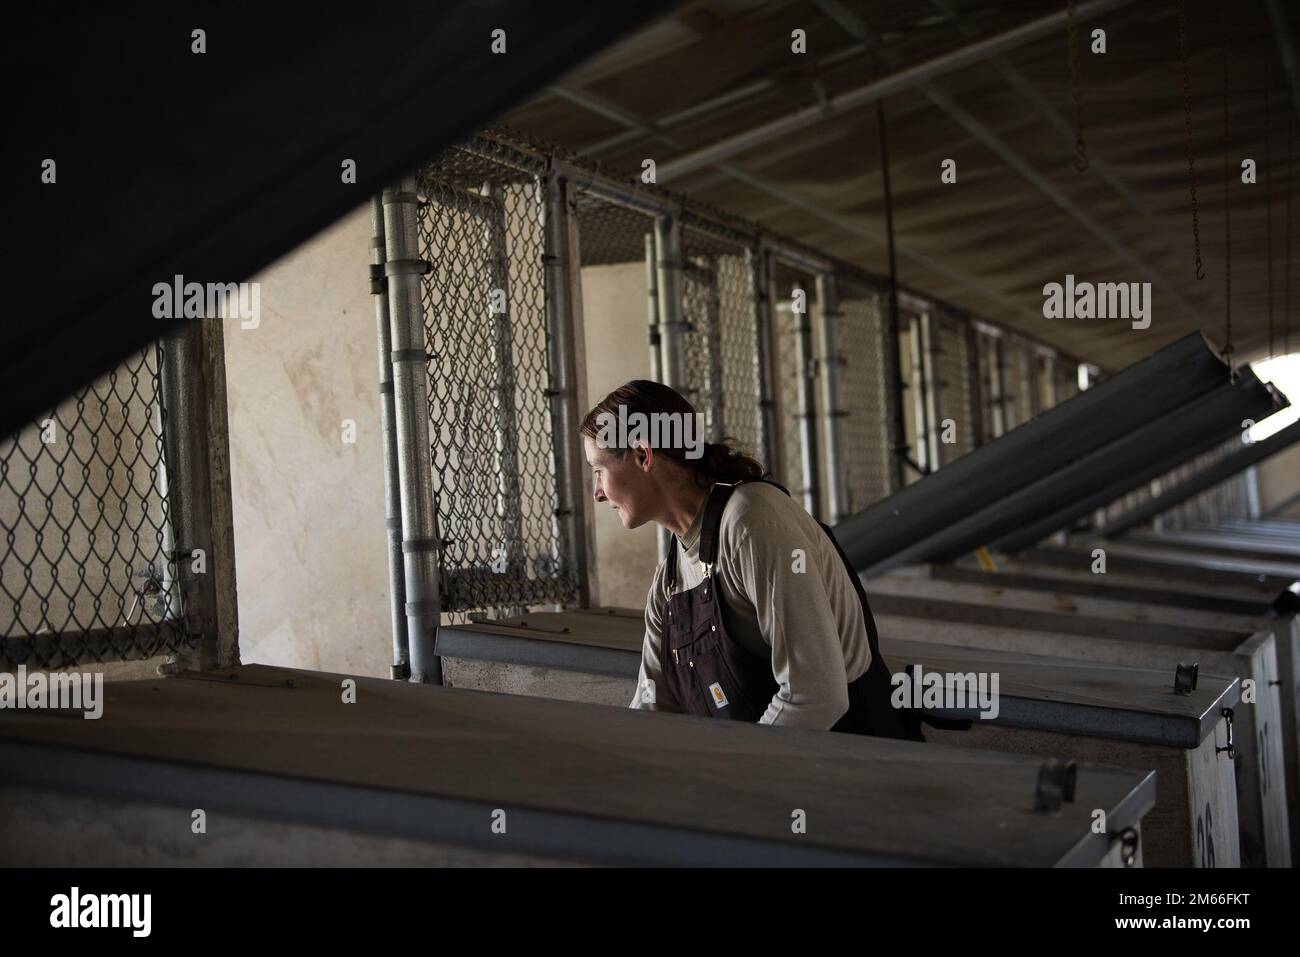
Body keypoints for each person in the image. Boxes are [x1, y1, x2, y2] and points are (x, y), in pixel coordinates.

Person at [579, 379, 913, 738]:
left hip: (851, 763)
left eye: (599, 470)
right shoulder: (669, 581)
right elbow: (653, 706)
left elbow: (816, 695)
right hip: (769, 771)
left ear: (643, 455)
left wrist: (737, 775)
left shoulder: (753, 521)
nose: (597, 493)